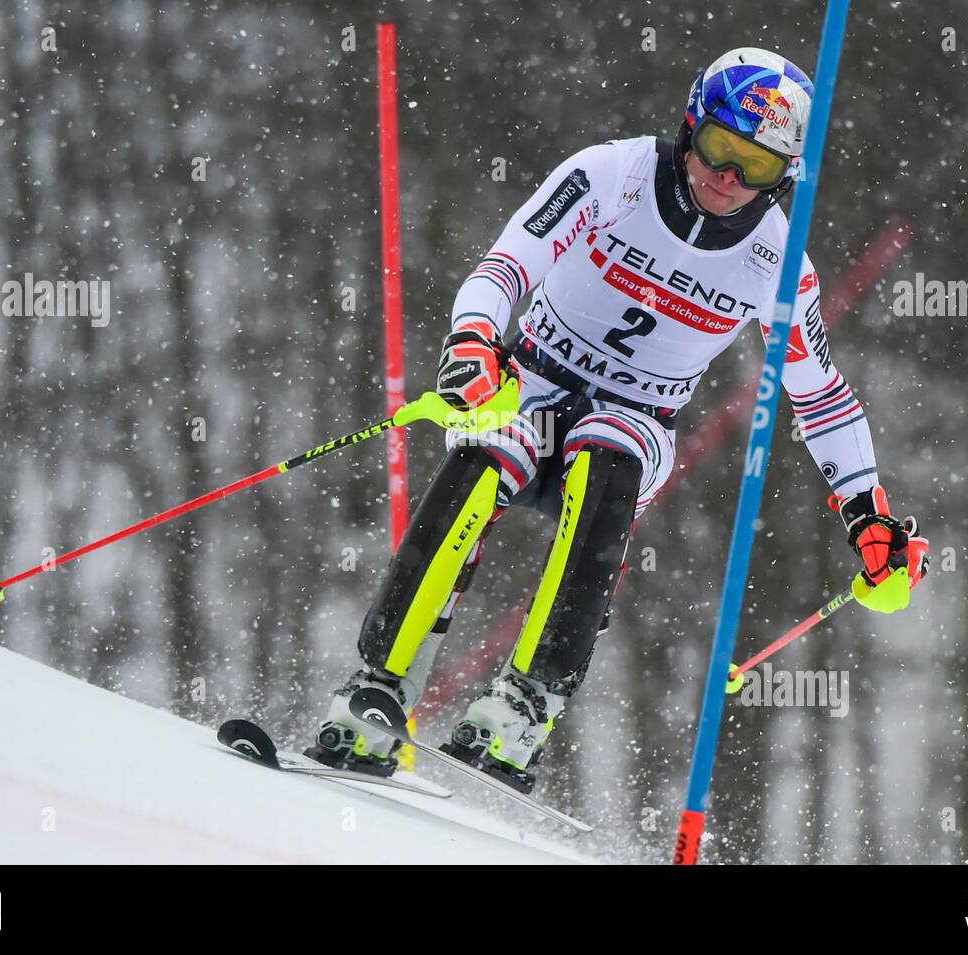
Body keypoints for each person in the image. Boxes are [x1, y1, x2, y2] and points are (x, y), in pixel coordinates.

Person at [305, 47, 929, 793]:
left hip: (636, 416)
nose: (727, 179)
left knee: (608, 453)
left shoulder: (777, 261)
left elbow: (819, 393)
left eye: (755, 167)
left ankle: (523, 706)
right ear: (690, 126)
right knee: (491, 450)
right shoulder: (614, 174)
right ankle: (380, 685)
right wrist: (474, 337)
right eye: (720, 149)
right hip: (531, 378)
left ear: (783, 176)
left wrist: (867, 511)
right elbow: (506, 265)